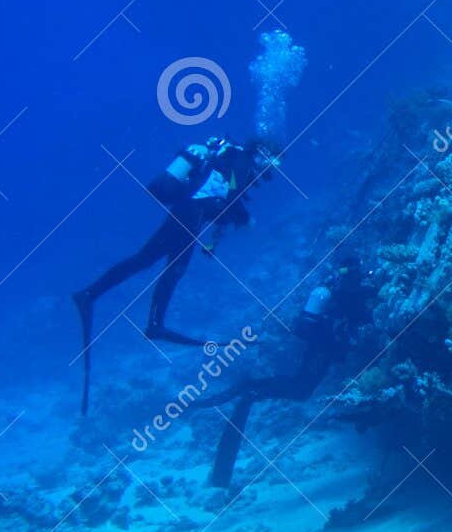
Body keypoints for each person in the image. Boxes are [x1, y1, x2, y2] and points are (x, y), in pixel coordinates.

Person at [73, 136, 279, 413]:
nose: (274, 167)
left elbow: (223, 196)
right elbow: (228, 200)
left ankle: (100, 299)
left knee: (148, 260)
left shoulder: (233, 158)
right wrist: (245, 219)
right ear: (263, 152)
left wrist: (230, 219)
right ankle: (137, 316)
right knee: (169, 267)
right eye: (275, 160)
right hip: (191, 212)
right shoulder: (242, 162)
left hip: (187, 209)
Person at [197, 254, 373, 488]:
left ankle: (251, 388)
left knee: (301, 390)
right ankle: (251, 388)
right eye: (347, 274)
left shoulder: (359, 290)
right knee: (301, 390)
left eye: (353, 274)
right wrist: (334, 338)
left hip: (327, 349)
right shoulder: (327, 295)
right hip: (319, 350)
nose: (351, 279)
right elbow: (304, 329)